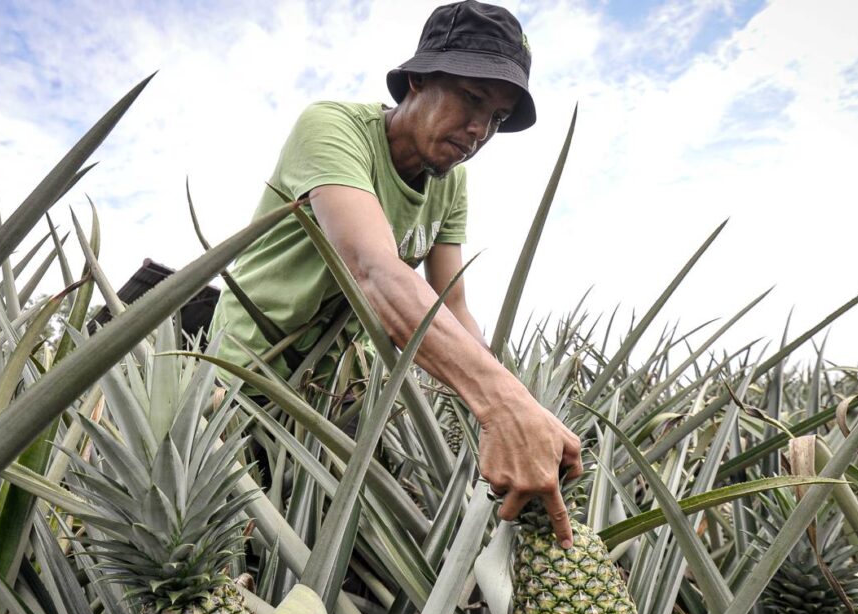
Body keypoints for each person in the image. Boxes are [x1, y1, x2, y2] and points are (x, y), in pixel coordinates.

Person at [208, 0, 582, 546]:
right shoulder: (331, 127)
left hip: (333, 401)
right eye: (472, 97)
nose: (479, 130)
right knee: (234, 553)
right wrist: (501, 404)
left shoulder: (451, 184)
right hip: (242, 380)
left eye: (498, 118)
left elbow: (452, 305)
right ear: (417, 79)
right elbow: (373, 270)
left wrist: (522, 405)